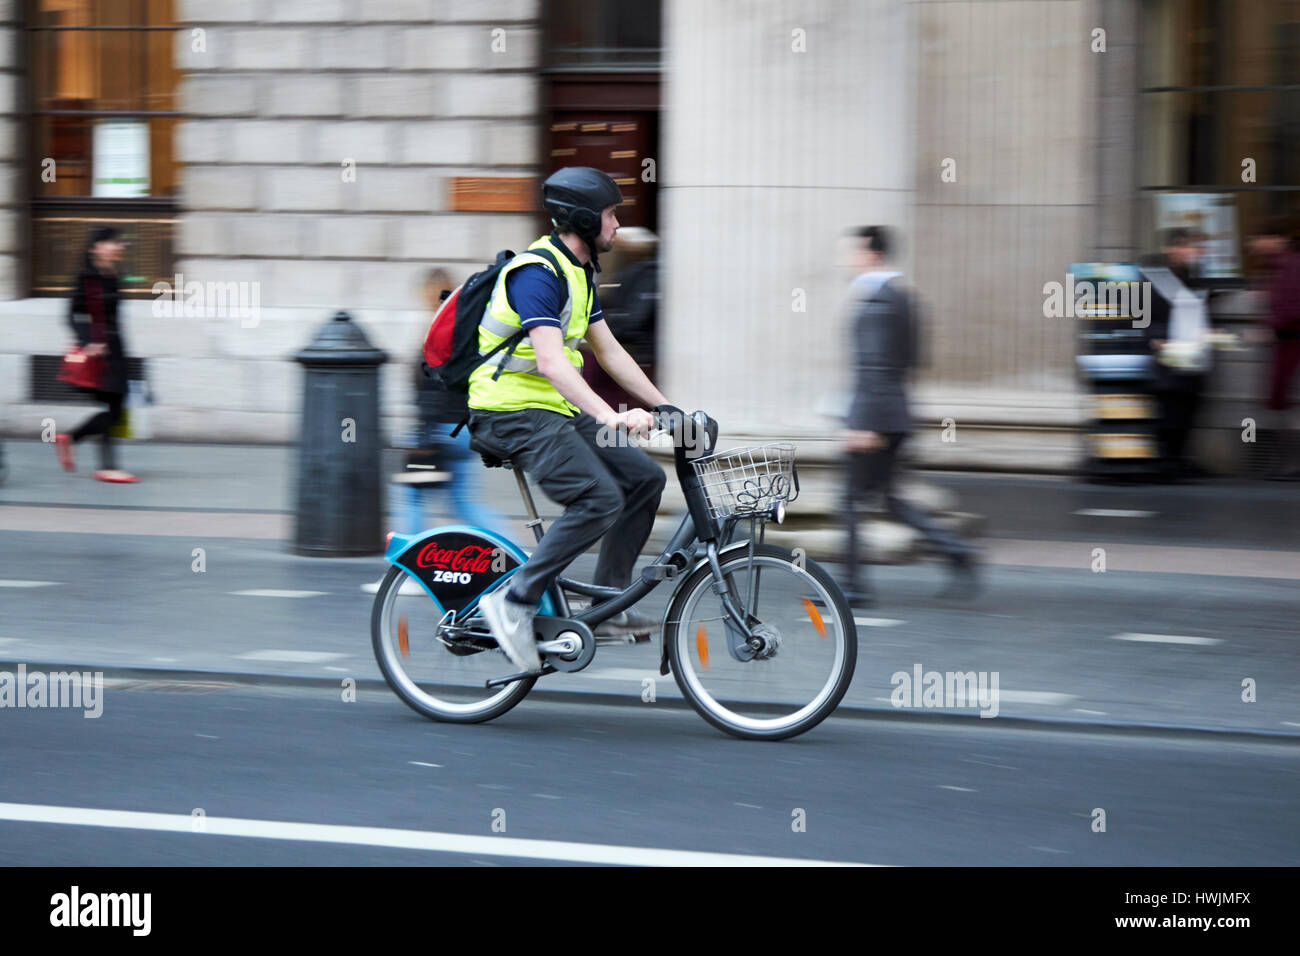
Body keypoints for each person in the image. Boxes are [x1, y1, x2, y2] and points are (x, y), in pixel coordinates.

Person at [466, 167, 671, 673]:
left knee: (644, 479)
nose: (617, 226)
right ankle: (514, 601)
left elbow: (610, 349)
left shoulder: (577, 273)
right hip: (507, 411)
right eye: (610, 215)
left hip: (551, 410)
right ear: (584, 218)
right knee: (598, 497)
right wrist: (610, 415)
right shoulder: (537, 273)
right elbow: (554, 362)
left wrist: (666, 405)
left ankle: (607, 603)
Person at [839, 226, 977, 607]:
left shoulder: (876, 302)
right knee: (887, 498)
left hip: (876, 418)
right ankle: (956, 551)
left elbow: (875, 366)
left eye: (854, 252)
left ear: (873, 255)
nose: (849, 260)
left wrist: (862, 424)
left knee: (849, 500)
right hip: (898, 412)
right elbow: (914, 360)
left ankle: (852, 587)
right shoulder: (905, 299)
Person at [394, 268, 510, 535]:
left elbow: (436, 387)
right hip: (462, 429)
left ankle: (405, 569)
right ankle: (517, 558)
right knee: (464, 504)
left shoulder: (442, 333)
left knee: (413, 496)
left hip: (439, 428)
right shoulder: (469, 328)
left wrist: (425, 434)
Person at [54, 226, 137, 483]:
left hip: (117, 350)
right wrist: (88, 340)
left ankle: (74, 442)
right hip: (100, 355)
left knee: (114, 408)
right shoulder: (87, 278)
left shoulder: (115, 274)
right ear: (96, 247)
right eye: (112, 242)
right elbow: (70, 314)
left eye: (118, 242)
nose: (118, 246)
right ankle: (101, 462)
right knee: (114, 410)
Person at [1140, 228, 1210, 481]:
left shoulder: (1195, 276)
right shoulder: (1154, 277)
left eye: (1197, 249)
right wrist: (1154, 339)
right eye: (1190, 247)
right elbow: (1139, 314)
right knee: (1170, 410)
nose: (1195, 253)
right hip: (1167, 355)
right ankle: (1165, 462)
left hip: (1192, 355)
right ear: (1173, 249)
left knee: (1188, 409)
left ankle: (1178, 459)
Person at [1247, 216, 1300, 478]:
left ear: (1276, 239)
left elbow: (1292, 307)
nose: (1254, 244)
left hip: (1290, 342)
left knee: (1280, 400)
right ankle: (1284, 462)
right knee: (1278, 400)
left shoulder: (1289, 265)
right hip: (1285, 341)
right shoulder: (1277, 265)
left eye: (1259, 238)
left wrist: (1269, 327)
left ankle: (1288, 463)